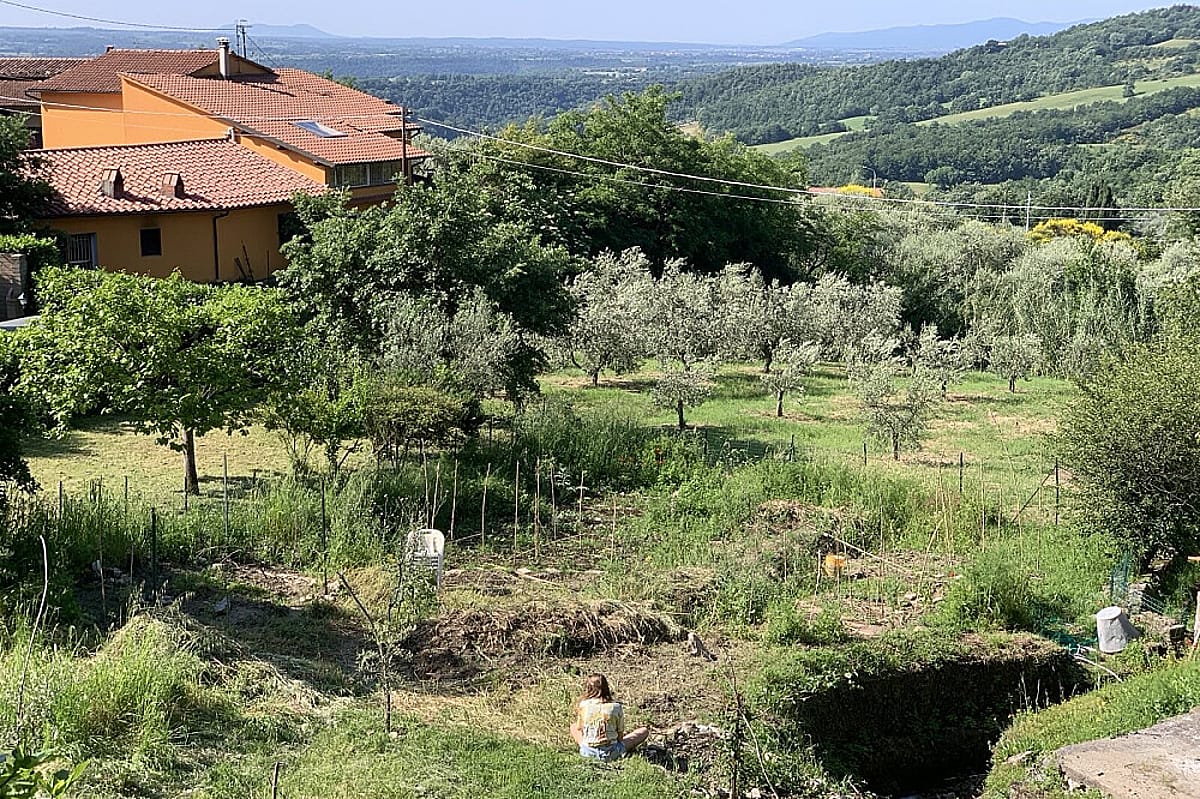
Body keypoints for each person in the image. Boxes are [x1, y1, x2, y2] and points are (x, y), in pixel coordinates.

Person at [569, 673, 649, 761]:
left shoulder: (583, 705)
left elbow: (580, 728)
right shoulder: (616, 707)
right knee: (643, 731)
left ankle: (586, 748)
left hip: (587, 752)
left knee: (573, 726)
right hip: (611, 752)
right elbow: (620, 737)